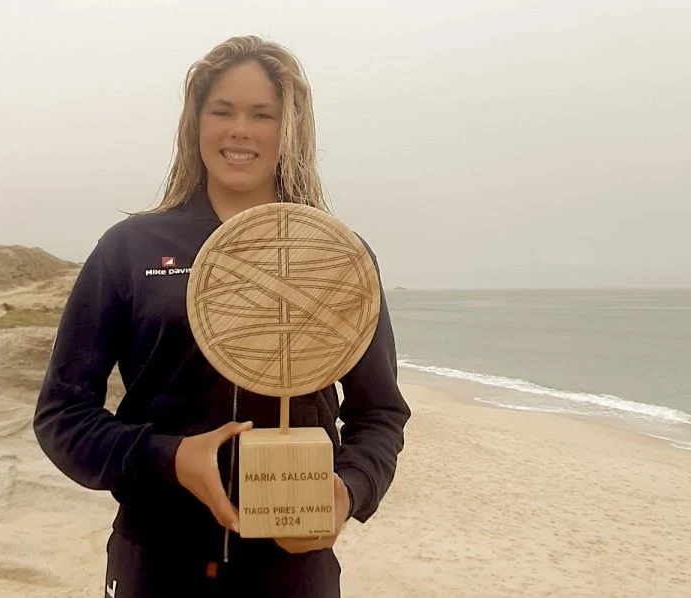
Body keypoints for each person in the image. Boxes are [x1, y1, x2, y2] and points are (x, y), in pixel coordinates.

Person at [33, 35, 411, 598]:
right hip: (156, 556)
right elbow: (62, 417)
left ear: (291, 130)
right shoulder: (130, 248)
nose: (240, 130)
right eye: (223, 111)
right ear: (195, 123)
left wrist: (348, 490)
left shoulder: (338, 255)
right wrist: (171, 458)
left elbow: (379, 413)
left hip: (292, 568)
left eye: (262, 114)